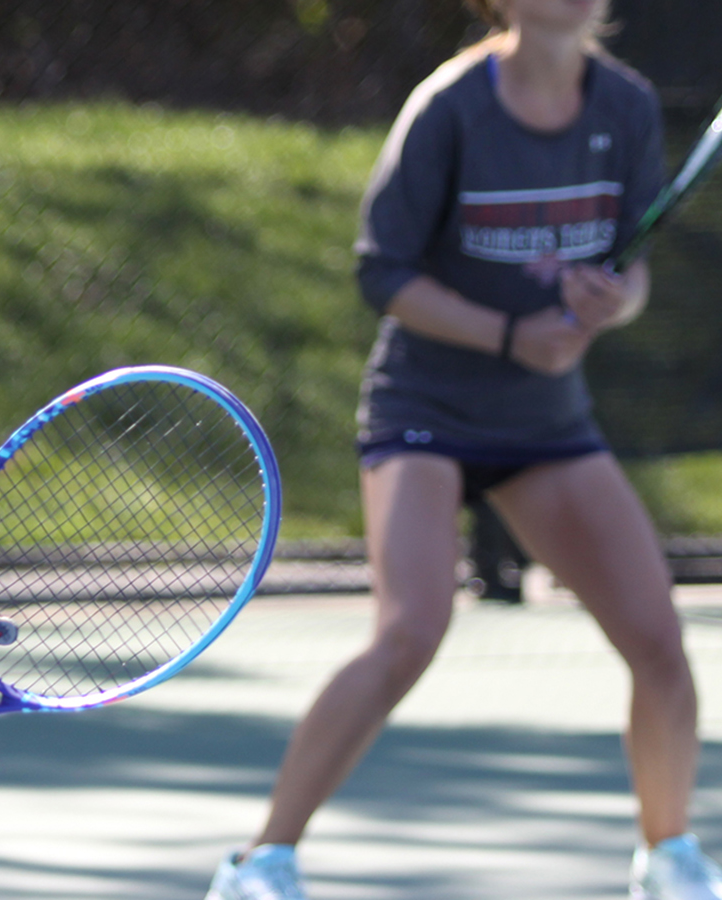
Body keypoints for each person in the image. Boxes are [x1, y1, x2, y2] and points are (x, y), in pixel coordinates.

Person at [205, 1, 722, 898]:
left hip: (547, 422)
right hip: (424, 409)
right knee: (411, 630)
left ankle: (667, 859)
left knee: (659, 645)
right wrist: (511, 335)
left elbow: (628, 266)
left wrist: (615, 302)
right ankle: (260, 865)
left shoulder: (627, 107)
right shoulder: (448, 107)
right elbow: (384, 272)